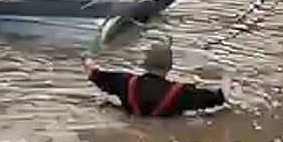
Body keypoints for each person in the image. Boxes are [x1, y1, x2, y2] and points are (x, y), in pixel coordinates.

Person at [81, 42, 227, 117]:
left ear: (145, 64)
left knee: (108, 105)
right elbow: (219, 98)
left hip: (132, 122)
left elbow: (94, 75)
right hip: (166, 132)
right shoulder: (183, 93)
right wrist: (230, 79)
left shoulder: (124, 82)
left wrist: (88, 59)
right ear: (169, 67)